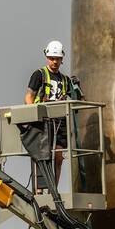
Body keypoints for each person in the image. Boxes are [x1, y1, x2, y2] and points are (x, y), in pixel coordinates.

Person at [25, 40, 82, 189]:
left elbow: (78, 100)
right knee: (42, 156)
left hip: (60, 123)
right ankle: (39, 190)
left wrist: (77, 88)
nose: (54, 61)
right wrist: (32, 114)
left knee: (58, 156)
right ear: (47, 57)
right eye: (51, 58)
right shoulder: (39, 75)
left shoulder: (65, 80)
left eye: (57, 59)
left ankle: (53, 190)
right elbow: (29, 96)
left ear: (62, 59)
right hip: (42, 122)